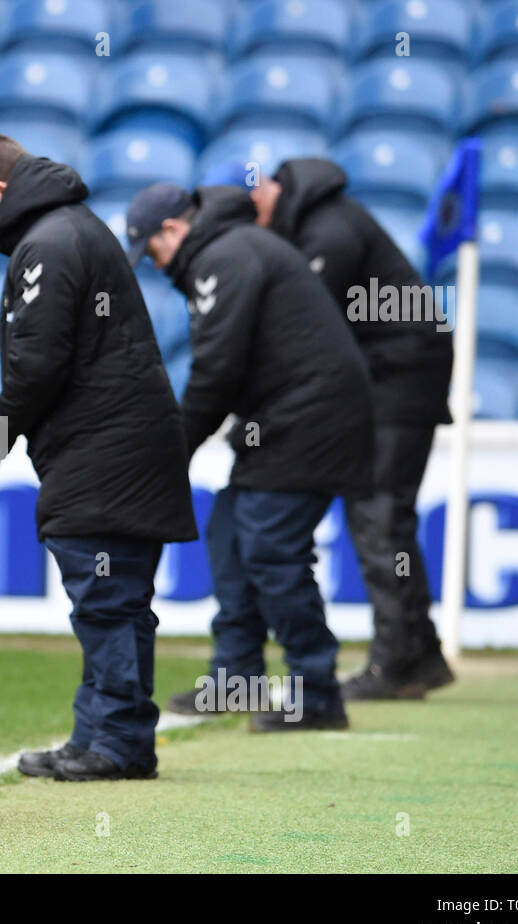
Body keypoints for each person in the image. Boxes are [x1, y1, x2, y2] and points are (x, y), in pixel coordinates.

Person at [0, 135, 198, 779]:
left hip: (106, 456)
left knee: (107, 599)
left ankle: (115, 744)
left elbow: (39, 359)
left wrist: (1, 422)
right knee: (110, 601)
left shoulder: (50, 242)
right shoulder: (68, 229)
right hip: (118, 449)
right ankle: (100, 735)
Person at [127, 182, 373, 731]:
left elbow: (216, 371)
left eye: (154, 250)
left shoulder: (223, 256)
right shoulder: (232, 248)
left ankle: (318, 694)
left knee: (271, 549)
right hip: (289, 419)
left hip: (308, 422)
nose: (157, 265)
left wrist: (174, 449)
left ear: (173, 229)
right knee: (232, 536)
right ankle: (236, 682)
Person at [245, 158, 456, 699]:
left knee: (379, 516)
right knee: (387, 517)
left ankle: (394, 664)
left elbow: (304, 326)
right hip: (401, 375)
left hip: (398, 380)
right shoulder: (330, 220)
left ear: (275, 188)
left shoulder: (328, 233)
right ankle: (421, 655)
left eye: (255, 199)